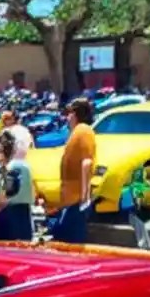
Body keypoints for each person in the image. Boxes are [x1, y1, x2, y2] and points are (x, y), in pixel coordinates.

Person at [49, 97, 97, 243]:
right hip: (71, 199)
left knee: (72, 242)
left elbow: (87, 163)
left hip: (76, 200)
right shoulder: (78, 131)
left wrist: (84, 197)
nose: (67, 117)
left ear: (76, 114)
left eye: (69, 113)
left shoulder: (83, 131)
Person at [0, 131, 35, 241]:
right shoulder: (25, 166)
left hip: (7, 215)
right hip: (24, 214)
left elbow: (4, 197)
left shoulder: (7, 169)